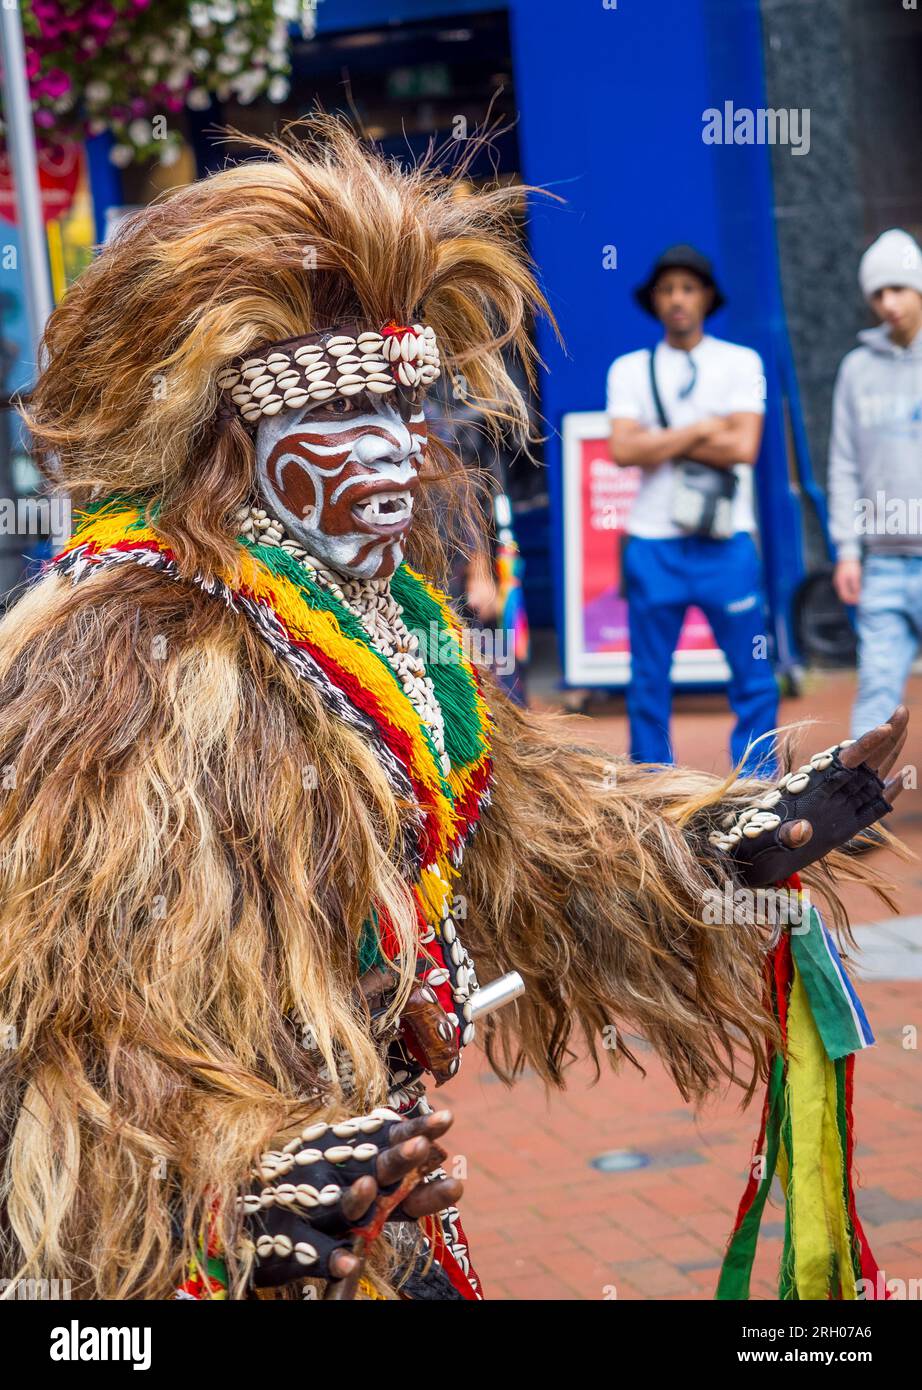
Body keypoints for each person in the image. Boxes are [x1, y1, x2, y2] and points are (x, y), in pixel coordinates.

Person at [0, 123, 904, 1302]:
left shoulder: (391, 621)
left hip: (366, 1173)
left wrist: (721, 845)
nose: (386, 453)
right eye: (336, 421)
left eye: (402, 414)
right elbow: (74, 1016)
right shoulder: (129, 638)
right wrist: (241, 1180)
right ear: (229, 444)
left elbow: (525, 840)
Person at [608, 244, 779, 774]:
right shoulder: (628, 369)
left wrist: (661, 439)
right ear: (654, 301)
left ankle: (755, 784)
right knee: (648, 680)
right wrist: (705, 427)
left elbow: (744, 448)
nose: (677, 299)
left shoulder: (743, 362)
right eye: (667, 289)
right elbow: (623, 450)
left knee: (754, 675)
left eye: (688, 288)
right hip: (652, 544)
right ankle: (652, 786)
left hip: (728, 544)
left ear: (706, 296)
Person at [829, 228, 922, 738]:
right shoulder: (856, 370)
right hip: (883, 562)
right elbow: (843, 463)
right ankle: (855, 814)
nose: (888, 304)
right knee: (875, 701)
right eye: (878, 294)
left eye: (899, 289)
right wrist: (847, 550)